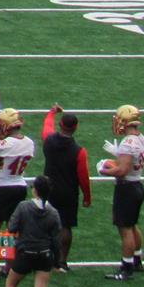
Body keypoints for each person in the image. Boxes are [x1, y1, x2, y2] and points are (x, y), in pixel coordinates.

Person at [0, 177, 62, 287]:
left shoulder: (23, 206)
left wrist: (5, 250)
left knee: (11, 284)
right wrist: (57, 260)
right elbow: (56, 239)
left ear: (36, 190)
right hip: (44, 255)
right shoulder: (53, 213)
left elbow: (11, 227)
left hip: (25, 254)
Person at [0, 109, 35, 281]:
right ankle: (8, 266)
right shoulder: (29, 142)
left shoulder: (5, 144)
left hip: (3, 188)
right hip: (19, 185)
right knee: (10, 230)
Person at [100, 104, 144, 280]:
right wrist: (119, 153)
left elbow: (122, 170)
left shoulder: (128, 142)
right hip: (137, 185)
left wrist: (103, 170)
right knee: (133, 224)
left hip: (127, 188)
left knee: (125, 229)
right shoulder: (142, 138)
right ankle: (137, 259)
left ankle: (126, 267)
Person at [40, 106, 91, 272]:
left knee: (46, 223)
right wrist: (87, 196)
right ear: (75, 128)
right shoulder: (79, 151)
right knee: (66, 226)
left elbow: (47, 127)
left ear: (60, 125)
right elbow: (83, 176)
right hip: (68, 192)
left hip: (48, 189)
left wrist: (52, 112)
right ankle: (62, 261)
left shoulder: (48, 140)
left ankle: (45, 256)